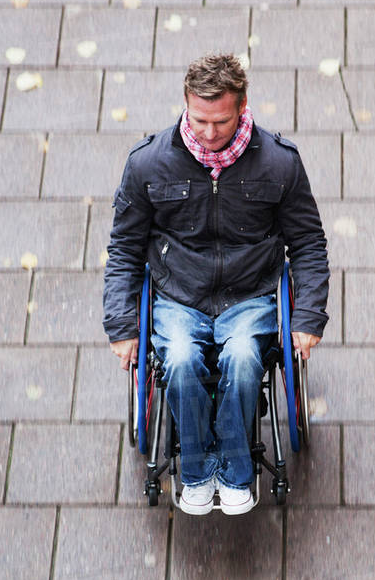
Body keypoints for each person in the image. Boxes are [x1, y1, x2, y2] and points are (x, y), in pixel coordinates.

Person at [103, 52, 329, 516]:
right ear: (185, 105)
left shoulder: (280, 165)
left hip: (250, 295)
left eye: (221, 122)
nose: (209, 133)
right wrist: (122, 324)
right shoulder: (148, 165)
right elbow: (125, 248)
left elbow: (307, 242)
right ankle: (197, 471)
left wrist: (307, 317)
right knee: (182, 361)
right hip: (177, 295)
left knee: (244, 359)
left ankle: (235, 470)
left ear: (243, 107)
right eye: (200, 120)